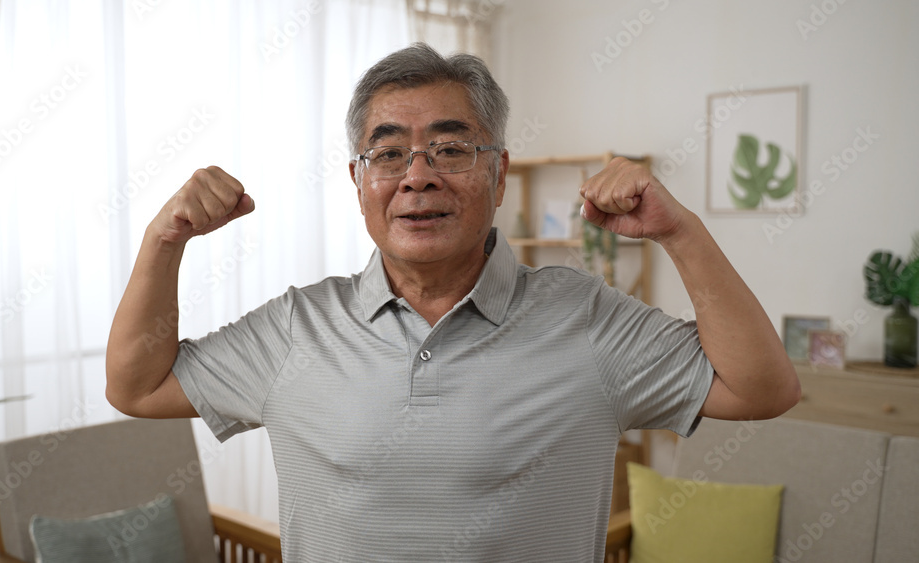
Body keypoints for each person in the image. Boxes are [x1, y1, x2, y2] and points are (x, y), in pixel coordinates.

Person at [106, 43, 800, 562]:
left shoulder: (586, 320)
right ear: (358, 181)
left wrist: (679, 231)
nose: (417, 177)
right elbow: (136, 385)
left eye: (450, 149)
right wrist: (165, 239)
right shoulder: (298, 327)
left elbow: (763, 386)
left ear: (499, 174)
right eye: (388, 154)